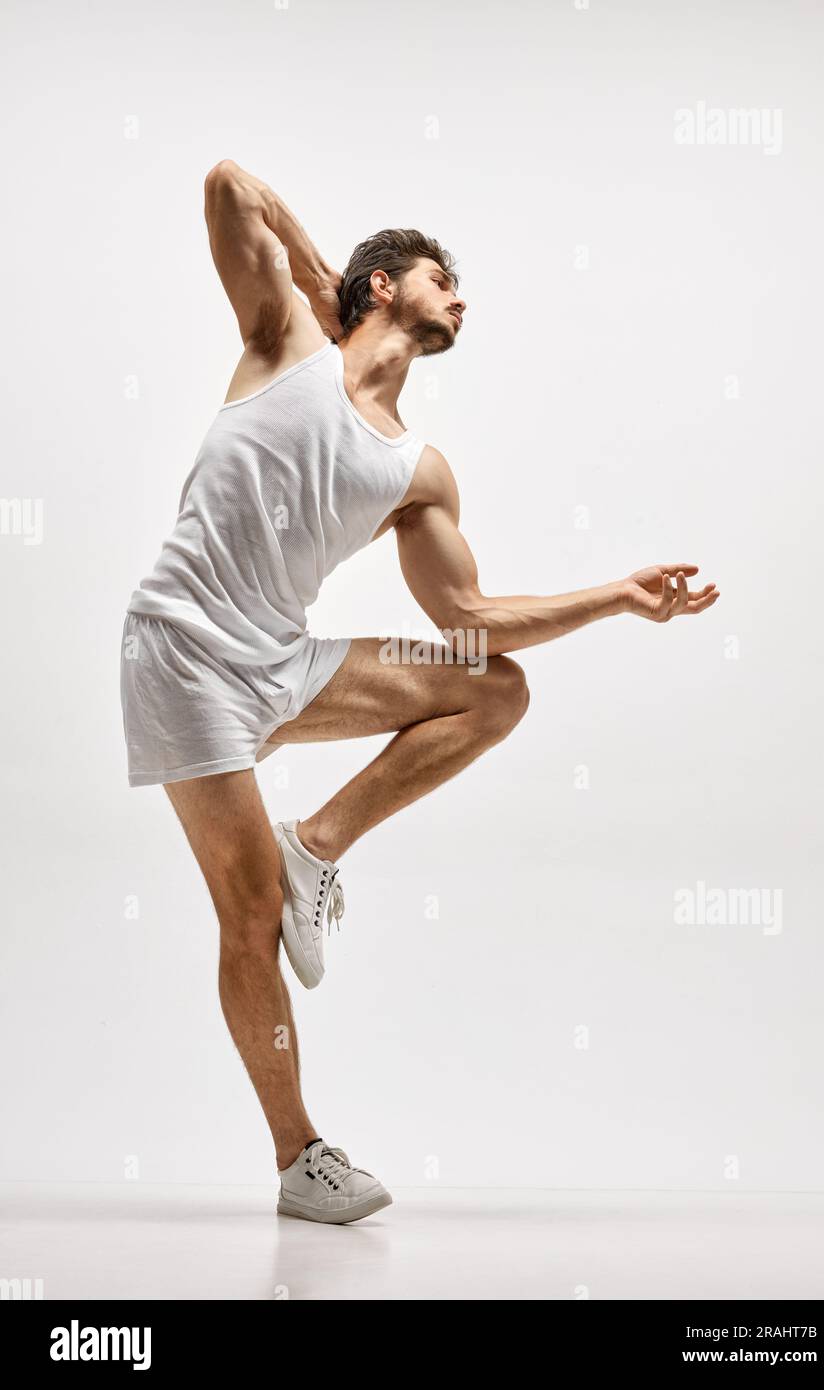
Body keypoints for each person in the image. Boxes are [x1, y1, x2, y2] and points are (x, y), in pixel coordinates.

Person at [119, 159, 720, 1224]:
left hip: (279, 660)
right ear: (385, 285)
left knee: (494, 691)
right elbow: (226, 186)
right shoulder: (282, 340)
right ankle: (300, 1158)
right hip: (184, 655)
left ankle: (320, 843)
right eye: (444, 277)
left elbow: (469, 626)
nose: (464, 298)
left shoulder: (418, 469)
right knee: (248, 917)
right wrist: (328, 287)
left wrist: (618, 596)